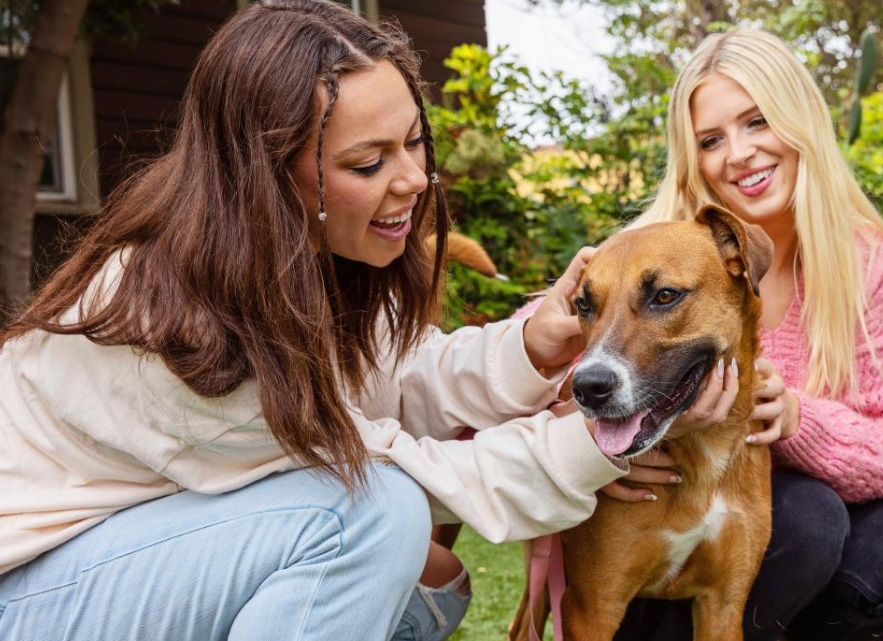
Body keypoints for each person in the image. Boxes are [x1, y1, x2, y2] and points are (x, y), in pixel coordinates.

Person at [0, 2, 627, 640]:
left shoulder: (304, 260)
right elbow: (387, 467)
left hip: (120, 556)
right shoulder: (179, 324)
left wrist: (531, 345)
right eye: (367, 164)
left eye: (414, 140)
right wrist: (601, 439)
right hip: (24, 588)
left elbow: (404, 374)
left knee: (432, 578)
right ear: (266, 174)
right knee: (368, 517)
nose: (415, 178)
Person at [587, 28, 883, 641]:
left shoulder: (865, 261)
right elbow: (557, 355)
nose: (739, 153)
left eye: (758, 121)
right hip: (663, 524)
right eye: (711, 139)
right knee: (808, 520)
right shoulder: (654, 250)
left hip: (790, 523)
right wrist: (592, 450)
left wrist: (796, 418)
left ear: (801, 122)